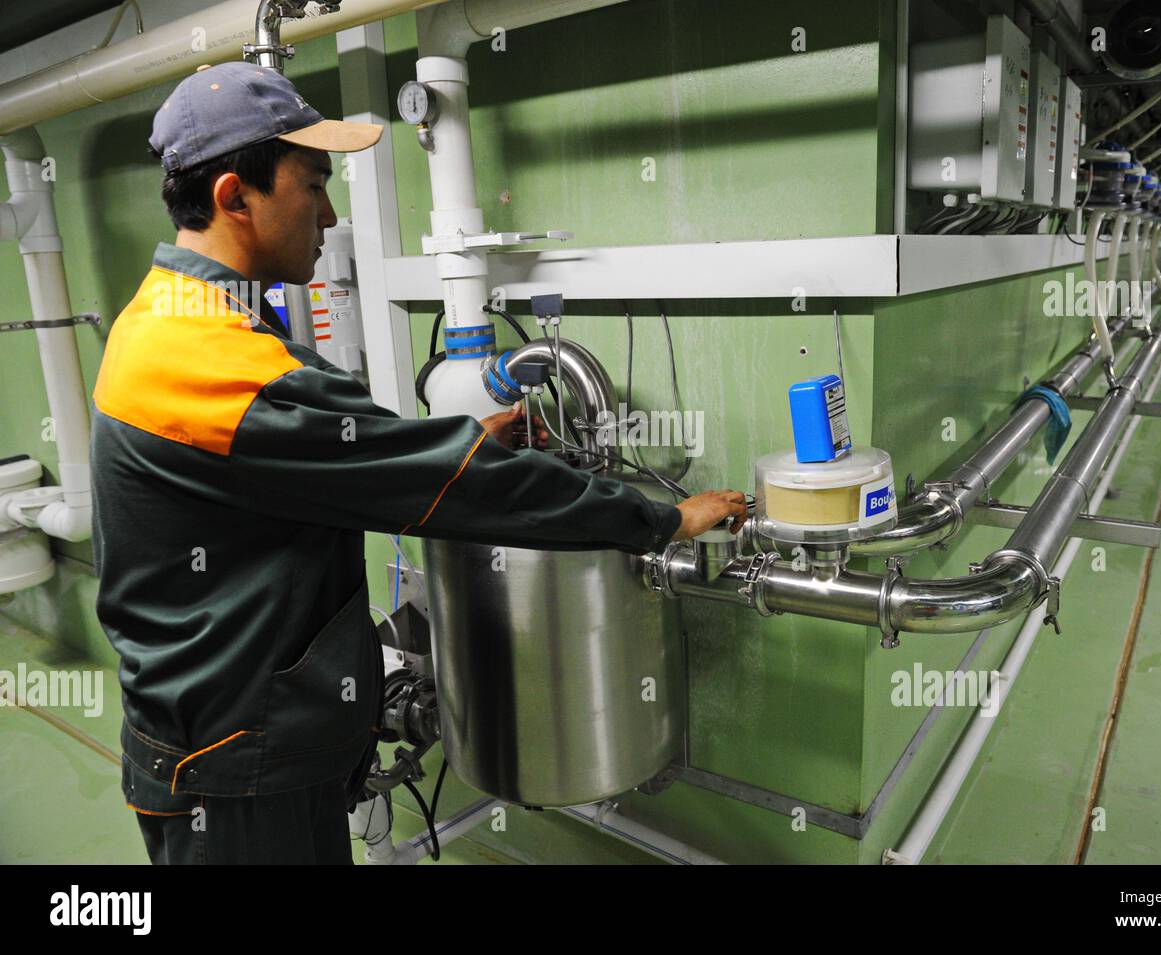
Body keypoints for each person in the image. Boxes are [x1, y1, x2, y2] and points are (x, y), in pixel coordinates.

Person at [90, 61, 746, 864]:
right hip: (239, 776)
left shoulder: (163, 317)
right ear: (234, 196)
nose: (329, 214)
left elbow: (323, 454)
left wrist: (456, 447)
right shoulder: (226, 370)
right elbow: (424, 476)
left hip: (211, 740)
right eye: (313, 185)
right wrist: (661, 518)